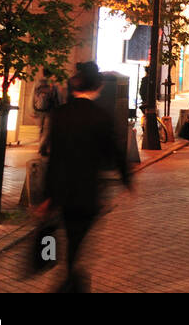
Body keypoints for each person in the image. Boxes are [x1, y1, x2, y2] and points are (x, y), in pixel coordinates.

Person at [42, 61, 131, 292]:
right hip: (87, 191)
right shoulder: (101, 116)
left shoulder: (60, 115)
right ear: (98, 87)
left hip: (61, 190)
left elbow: (52, 157)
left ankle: (69, 275)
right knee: (77, 239)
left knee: (68, 235)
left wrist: (47, 195)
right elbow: (114, 151)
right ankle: (72, 278)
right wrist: (126, 180)